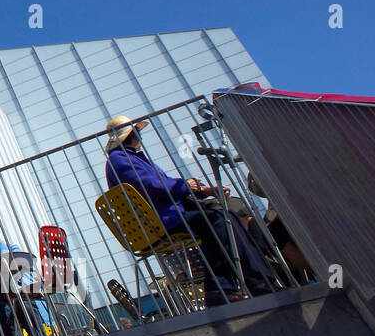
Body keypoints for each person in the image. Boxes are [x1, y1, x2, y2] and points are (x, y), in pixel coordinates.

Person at [103, 115, 275, 305]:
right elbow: (151, 186)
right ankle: (223, 287)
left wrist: (201, 191)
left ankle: (258, 281)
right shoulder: (120, 159)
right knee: (218, 218)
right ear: (133, 135)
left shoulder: (126, 158)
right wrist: (186, 185)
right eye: (138, 133)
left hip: (165, 215)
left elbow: (162, 188)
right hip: (160, 221)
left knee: (227, 217)